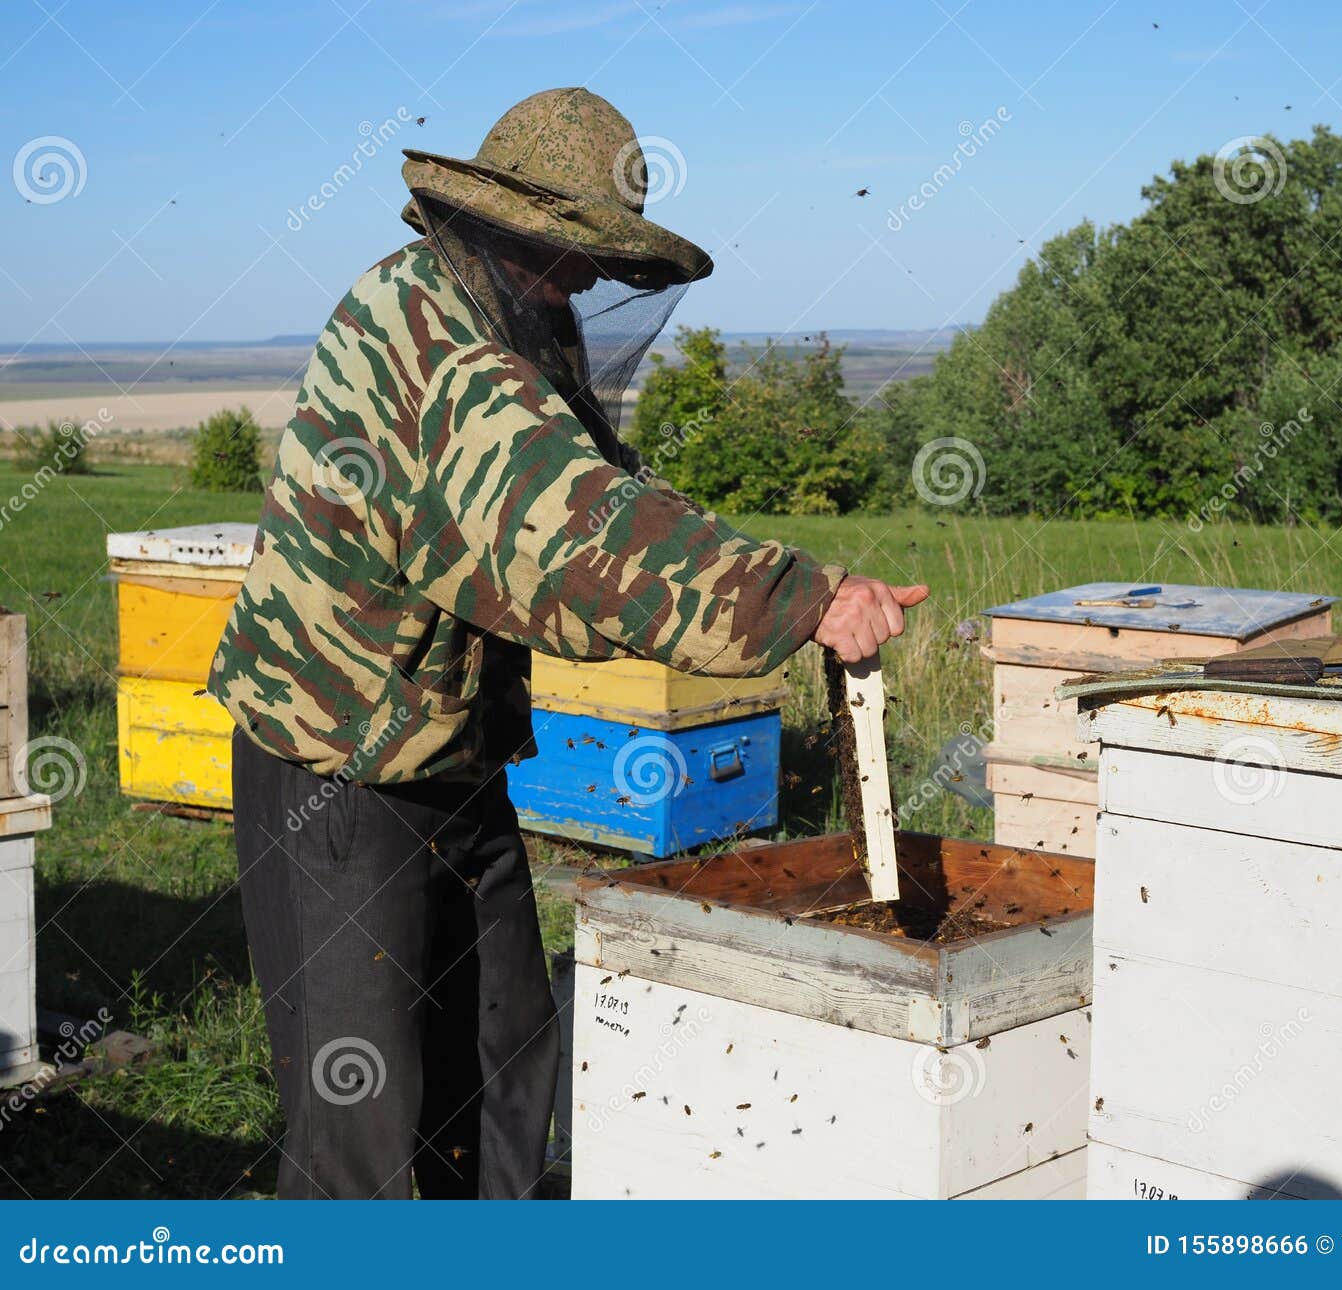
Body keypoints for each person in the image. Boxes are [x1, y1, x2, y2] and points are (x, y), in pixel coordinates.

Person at [209, 86, 927, 1200]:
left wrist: (793, 576)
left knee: (504, 1057)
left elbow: (611, 486)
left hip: (448, 749)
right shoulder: (443, 359)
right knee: (363, 1125)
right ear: (508, 230)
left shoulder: (487, 316)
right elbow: (578, 539)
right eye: (573, 256)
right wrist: (799, 603)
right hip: (338, 771)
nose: (587, 284)